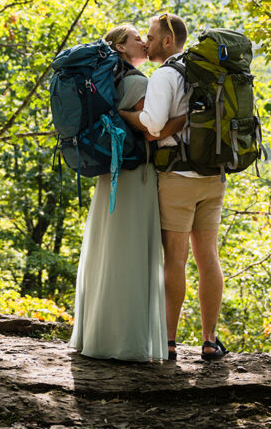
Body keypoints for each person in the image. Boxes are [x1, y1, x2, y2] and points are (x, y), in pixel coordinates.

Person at [68, 23, 184, 362]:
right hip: (135, 176)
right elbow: (154, 131)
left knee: (107, 252)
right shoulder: (137, 82)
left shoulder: (109, 82)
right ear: (120, 47)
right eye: (137, 38)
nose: (145, 43)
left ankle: (97, 335)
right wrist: (185, 118)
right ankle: (126, 343)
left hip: (111, 175)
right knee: (131, 255)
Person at [120, 13, 229, 362]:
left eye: (151, 36)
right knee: (208, 258)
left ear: (168, 40)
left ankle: (168, 341)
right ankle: (210, 340)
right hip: (213, 177)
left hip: (178, 177)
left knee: (176, 261)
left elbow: (152, 127)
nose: (147, 42)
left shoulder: (166, 74)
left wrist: (123, 115)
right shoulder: (207, 73)